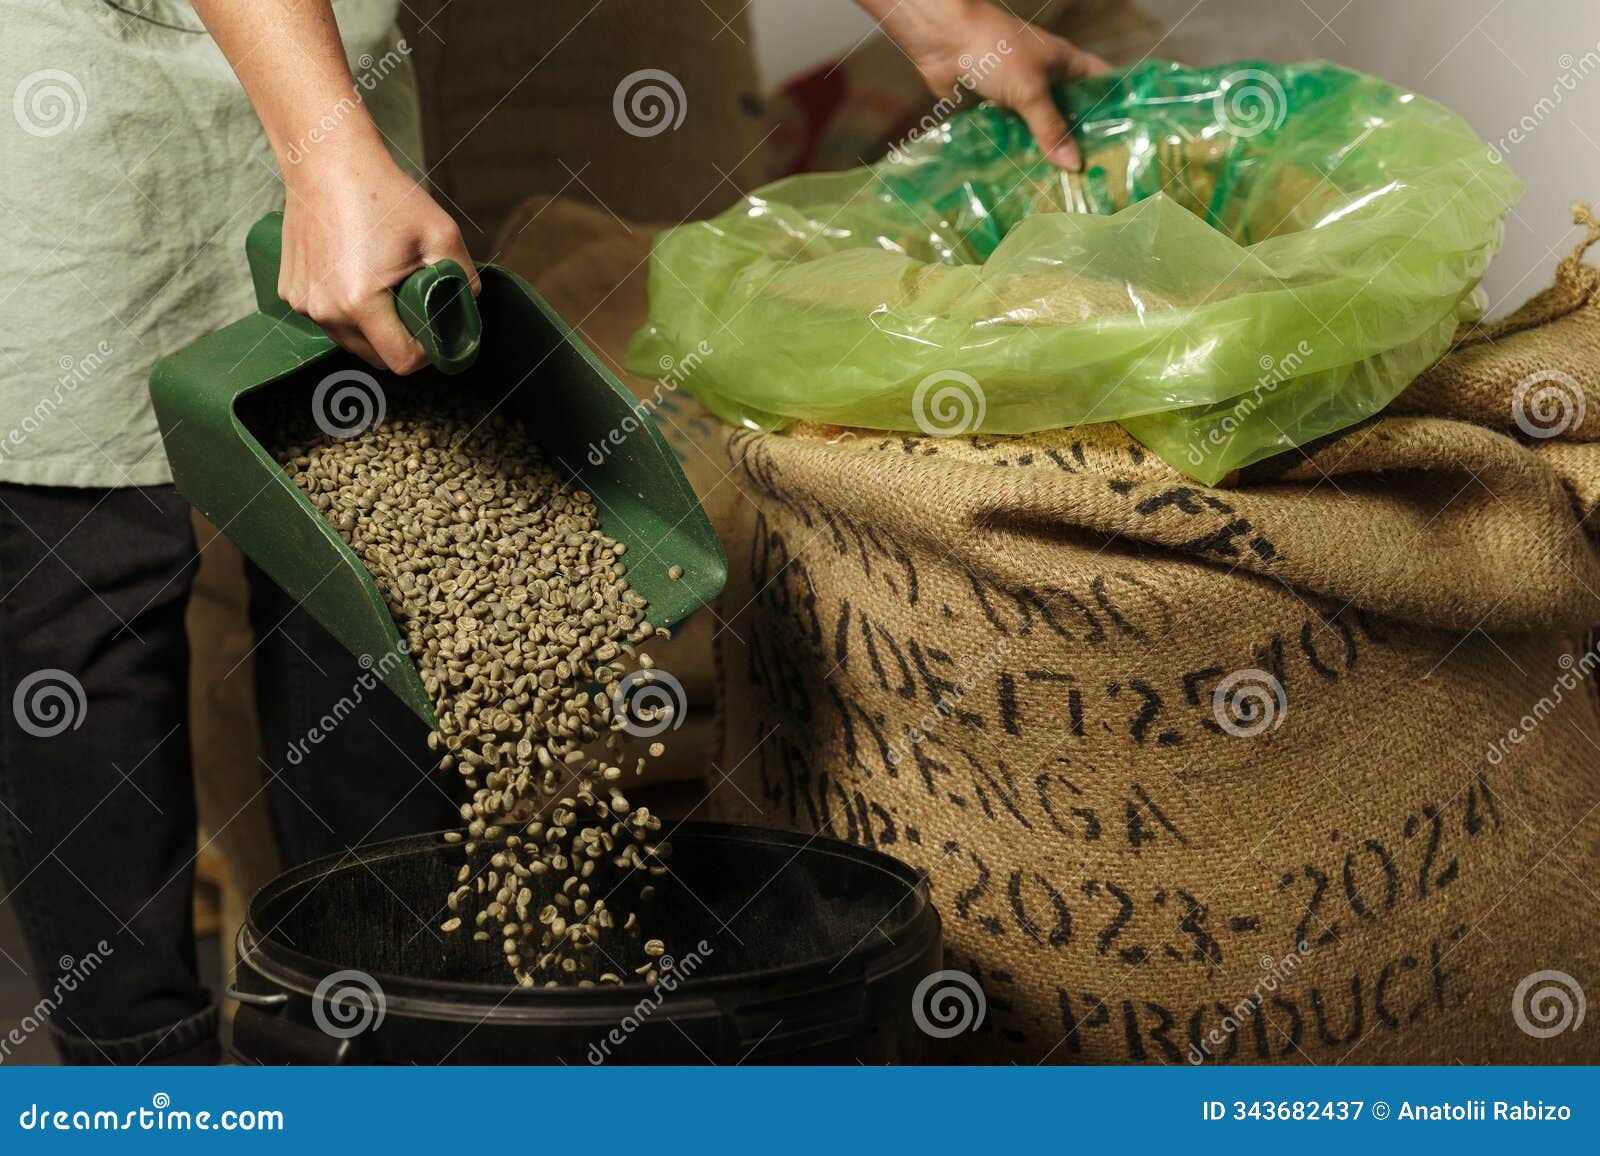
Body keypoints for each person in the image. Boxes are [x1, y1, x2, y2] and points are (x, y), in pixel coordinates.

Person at [0, 0, 1106, 1064]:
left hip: (326, 45)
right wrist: (322, 152)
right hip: (88, 75)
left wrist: (937, 16)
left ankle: (383, 1021)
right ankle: (138, 1076)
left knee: (364, 548)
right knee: (96, 571)